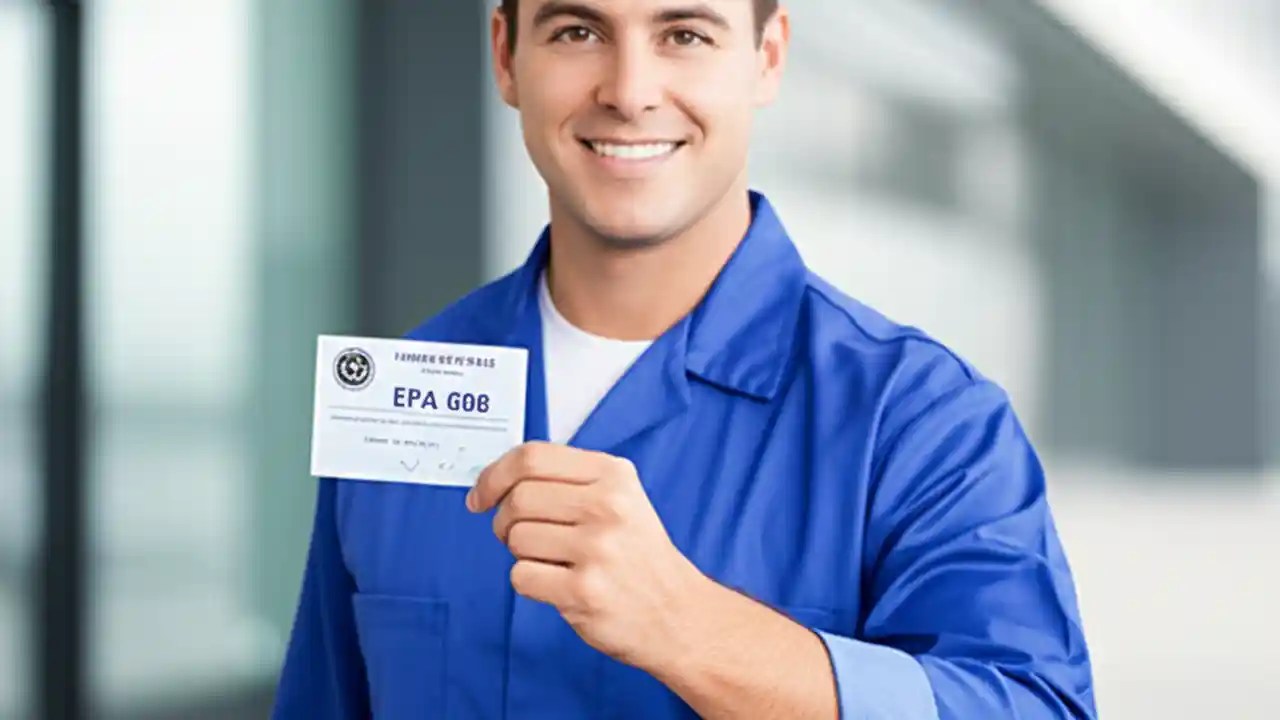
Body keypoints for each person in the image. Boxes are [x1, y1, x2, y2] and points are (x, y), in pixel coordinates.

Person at [272, 0, 1096, 718]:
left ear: (766, 58)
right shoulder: (398, 392)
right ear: (506, 56)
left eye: (685, 34)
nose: (629, 91)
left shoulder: (922, 419)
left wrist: (695, 631)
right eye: (577, 29)